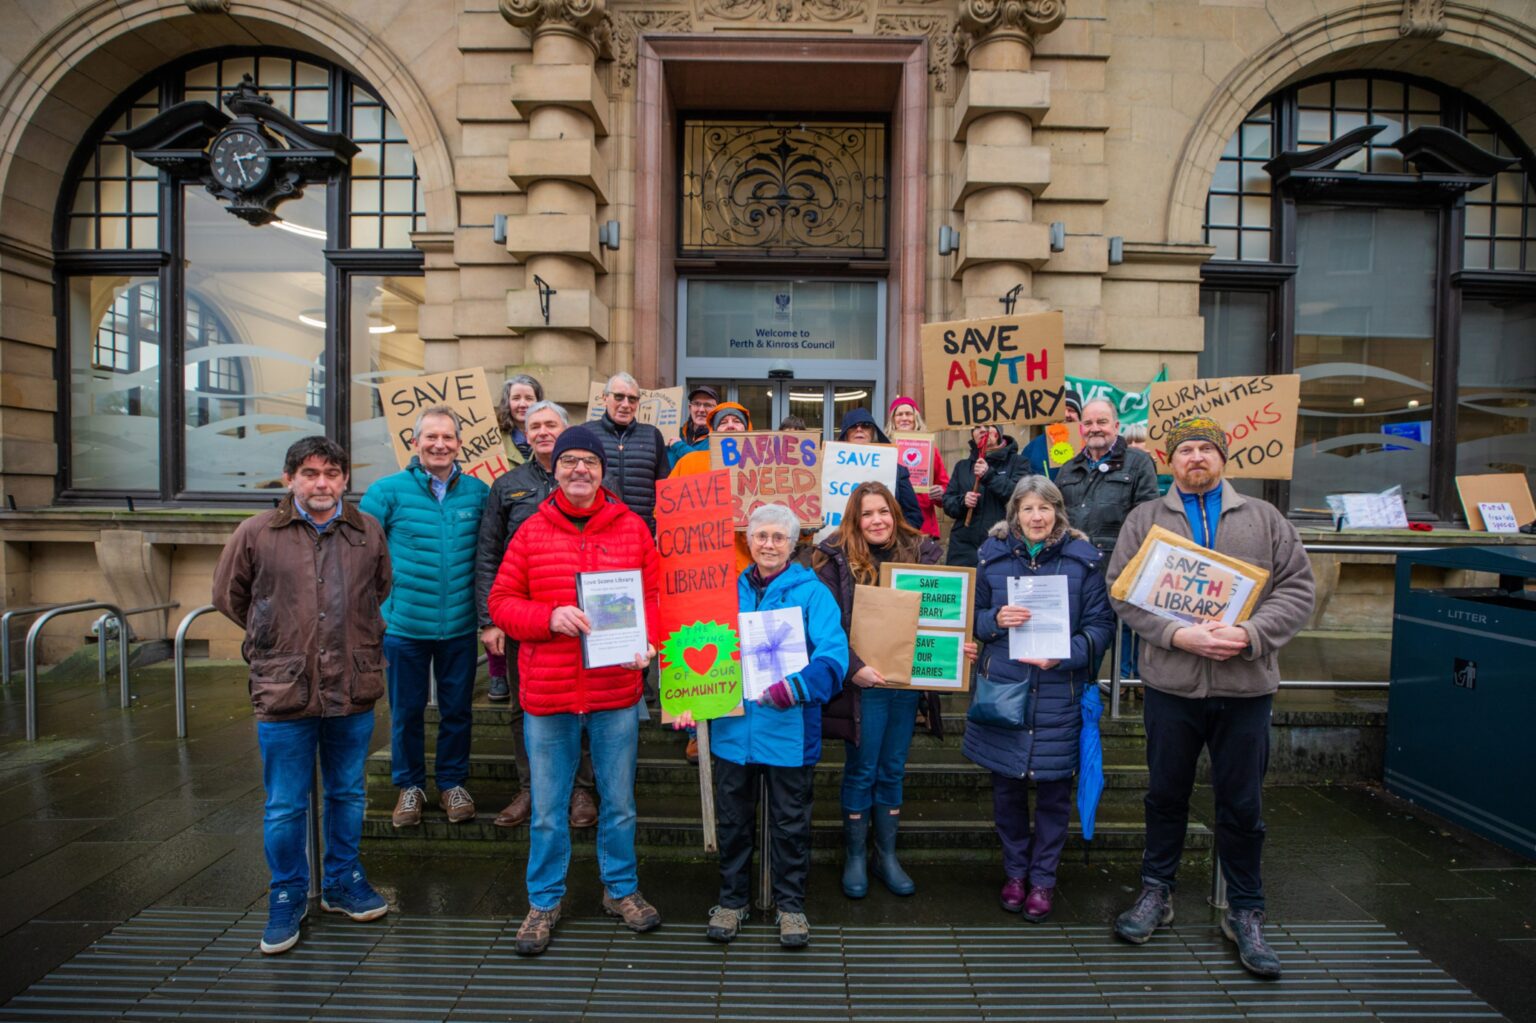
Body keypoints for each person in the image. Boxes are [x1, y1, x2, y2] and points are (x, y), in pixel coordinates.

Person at [1107, 417, 1315, 979]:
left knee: (1242, 803)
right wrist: (1177, 634)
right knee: (1164, 795)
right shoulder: (1145, 518)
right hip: (1172, 684)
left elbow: (1298, 588)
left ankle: (1246, 911)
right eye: (1185, 451)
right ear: (1168, 461)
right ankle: (1157, 892)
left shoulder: (1264, 519)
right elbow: (1122, 589)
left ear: (1223, 457)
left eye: (1205, 449)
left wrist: (1251, 635)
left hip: (1245, 687)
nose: (1195, 458)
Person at [487, 424, 664, 956]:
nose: (579, 469)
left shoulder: (632, 528)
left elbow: (653, 597)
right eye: (570, 462)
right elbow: (500, 602)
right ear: (555, 469)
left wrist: (649, 641)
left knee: (620, 804)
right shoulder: (531, 531)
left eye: (589, 461)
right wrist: (548, 617)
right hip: (549, 693)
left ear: (603, 471)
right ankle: (543, 900)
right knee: (546, 806)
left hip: (614, 690)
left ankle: (621, 890)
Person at [212, 436, 392, 956]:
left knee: (347, 793)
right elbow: (230, 596)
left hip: (351, 686)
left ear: (344, 480)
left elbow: (378, 589)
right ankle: (287, 891)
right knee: (285, 804)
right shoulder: (256, 533)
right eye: (310, 473)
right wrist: (277, 636)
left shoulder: (366, 532)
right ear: (290, 478)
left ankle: (341, 880)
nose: (321, 483)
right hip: (283, 686)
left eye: (332, 473)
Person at [676, 502, 848, 949]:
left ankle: (791, 907)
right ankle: (732, 902)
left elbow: (834, 657)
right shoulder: (722, 592)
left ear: (794, 545)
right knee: (734, 822)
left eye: (778, 537)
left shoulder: (813, 593)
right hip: (733, 732)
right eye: (761, 536)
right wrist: (685, 696)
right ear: (747, 541)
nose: (768, 544)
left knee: (791, 824)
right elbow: (694, 647)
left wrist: (794, 688)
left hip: (790, 729)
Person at [965, 475, 1116, 922]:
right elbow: (969, 616)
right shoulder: (991, 557)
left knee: (1053, 795)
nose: (1036, 517)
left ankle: (1044, 880)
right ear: (1015, 512)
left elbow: (1101, 627)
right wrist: (994, 619)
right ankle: (1014, 874)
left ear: (1058, 512)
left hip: (1058, 692)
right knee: (1006, 792)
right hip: (1005, 689)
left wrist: (1065, 655)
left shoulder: (1084, 561)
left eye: (1045, 508)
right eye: (1028, 508)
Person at [813, 482, 965, 900]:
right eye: (867, 514)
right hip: (862, 687)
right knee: (862, 768)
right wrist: (854, 669)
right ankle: (856, 855)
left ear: (894, 513)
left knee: (893, 768)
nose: (876, 520)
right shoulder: (833, 561)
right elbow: (825, 626)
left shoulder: (922, 552)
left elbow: (944, 613)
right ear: (854, 519)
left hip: (907, 684)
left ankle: (887, 855)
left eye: (883, 511)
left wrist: (957, 644)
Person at [360, 406, 490, 829]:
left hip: (457, 626)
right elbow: (362, 557)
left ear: (459, 443)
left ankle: (452, 784)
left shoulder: (478, 493)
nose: (440, 444)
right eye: (431, 437)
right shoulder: (386, 492)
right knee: (406, 711)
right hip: (404, 627)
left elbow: (489, 555)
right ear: (414, 443)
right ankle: (410, 787)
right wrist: (378, 614)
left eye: (448, 437)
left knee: (457, 711)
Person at [474, 400, 598, 830]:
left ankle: (581, 789)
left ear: (565, 432)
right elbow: (488, 553)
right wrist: (489, 620)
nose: (543, 431)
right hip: (524, 619)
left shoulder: (595, 478)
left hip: (586, 620)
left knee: (584, 705)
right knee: (521, 706)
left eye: (552, 424)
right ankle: (531, 788)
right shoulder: (508, 485)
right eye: (534, 426)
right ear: (524, 434)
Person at [1056, 398, 1160, 560]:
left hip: (1117, 563)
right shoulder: (1068, 468)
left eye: (1102, 422)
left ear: (1116, 426)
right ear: (1081, 428)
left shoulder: (1138, 462)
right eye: (1088, 423)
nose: (1095, 429)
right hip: (1073, 562)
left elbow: (1146, 519)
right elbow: (1057, 517)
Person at [592, 372, 669, 532]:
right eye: (619, 397)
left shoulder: (652, 435)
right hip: (598, 532)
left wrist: (660, 529)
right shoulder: (587, 433)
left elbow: (664, 487)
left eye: (632, 399)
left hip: (643, 532)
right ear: (605, 398)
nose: (626, 404)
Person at [941, 424, 1021, 568]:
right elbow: (947, 503)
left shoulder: (1018, 463)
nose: (983, 430)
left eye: (989, 426)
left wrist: (989, 476)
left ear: (999, 432)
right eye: (977, 427)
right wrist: (962, 501)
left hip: (1002, 545)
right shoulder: (962, 466)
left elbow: (1019, 497)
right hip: (963, 550)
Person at [835, 407, 923, 530]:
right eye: (853, 426)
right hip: (842, 545)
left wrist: (894, 538)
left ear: (873, 432)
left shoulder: (897, 471)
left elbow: (914, 516)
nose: (859, 429)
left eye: (865, 426)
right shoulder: (830, 470)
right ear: (845, 434)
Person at [884, 396, 951, 541]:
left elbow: (945, 485)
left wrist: (941, 492)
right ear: (893, 419)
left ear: (916, 418)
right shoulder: (885, 448)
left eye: (908, 414)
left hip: (924, 524)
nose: (904, 418)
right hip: (890, 522)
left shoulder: (930, 449)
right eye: (899, 414)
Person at [1020, 389, 1083, 479]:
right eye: (1061, 410)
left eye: (1071, 410)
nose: (1066, 414)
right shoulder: (1033, 447)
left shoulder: (1090, 444)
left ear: (1079, 416)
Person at [495, 373, 544, 468]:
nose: (522, 404)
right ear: (507, 402)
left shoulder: (550, 437)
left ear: (538, 402)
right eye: (516, 398)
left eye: (529, 398)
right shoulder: (494, 438)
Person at [668, 384, 719, 470]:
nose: (701, 410)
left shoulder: (719, 440)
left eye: (707, 405)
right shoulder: (674, 433)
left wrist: (680, 447)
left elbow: (708, 468)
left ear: (716, 410)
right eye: (697, 404)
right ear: (690, 408)